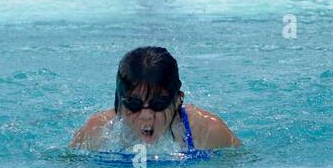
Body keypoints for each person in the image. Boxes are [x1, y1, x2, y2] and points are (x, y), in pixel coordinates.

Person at [71, 47, 240, 152]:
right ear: (119, 102)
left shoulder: (208, 132)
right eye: (134, 103)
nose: (146, 115)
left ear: (178, 100)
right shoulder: (96, 132)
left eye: (158, 103)